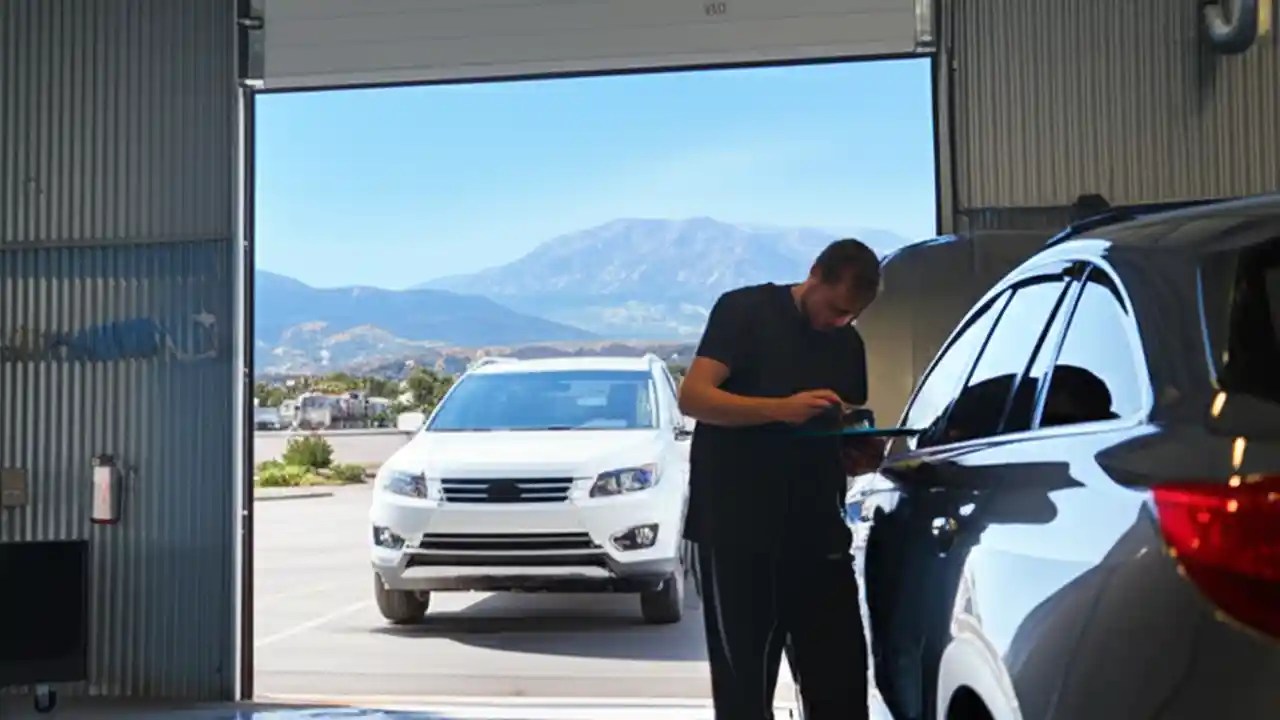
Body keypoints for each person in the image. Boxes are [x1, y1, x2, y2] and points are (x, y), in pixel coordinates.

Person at [678, 238, 884, 720]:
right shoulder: (744, 311)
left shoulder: (849, 345)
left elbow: (838, 430)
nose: (839, 322)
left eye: (851, 315)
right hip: (737, 531)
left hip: (816, 529)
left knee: (840, 683)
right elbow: (694, 398)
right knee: (744, 689)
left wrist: (858, 453)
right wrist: (779, 411)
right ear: (814, 274)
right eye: (835, 309)